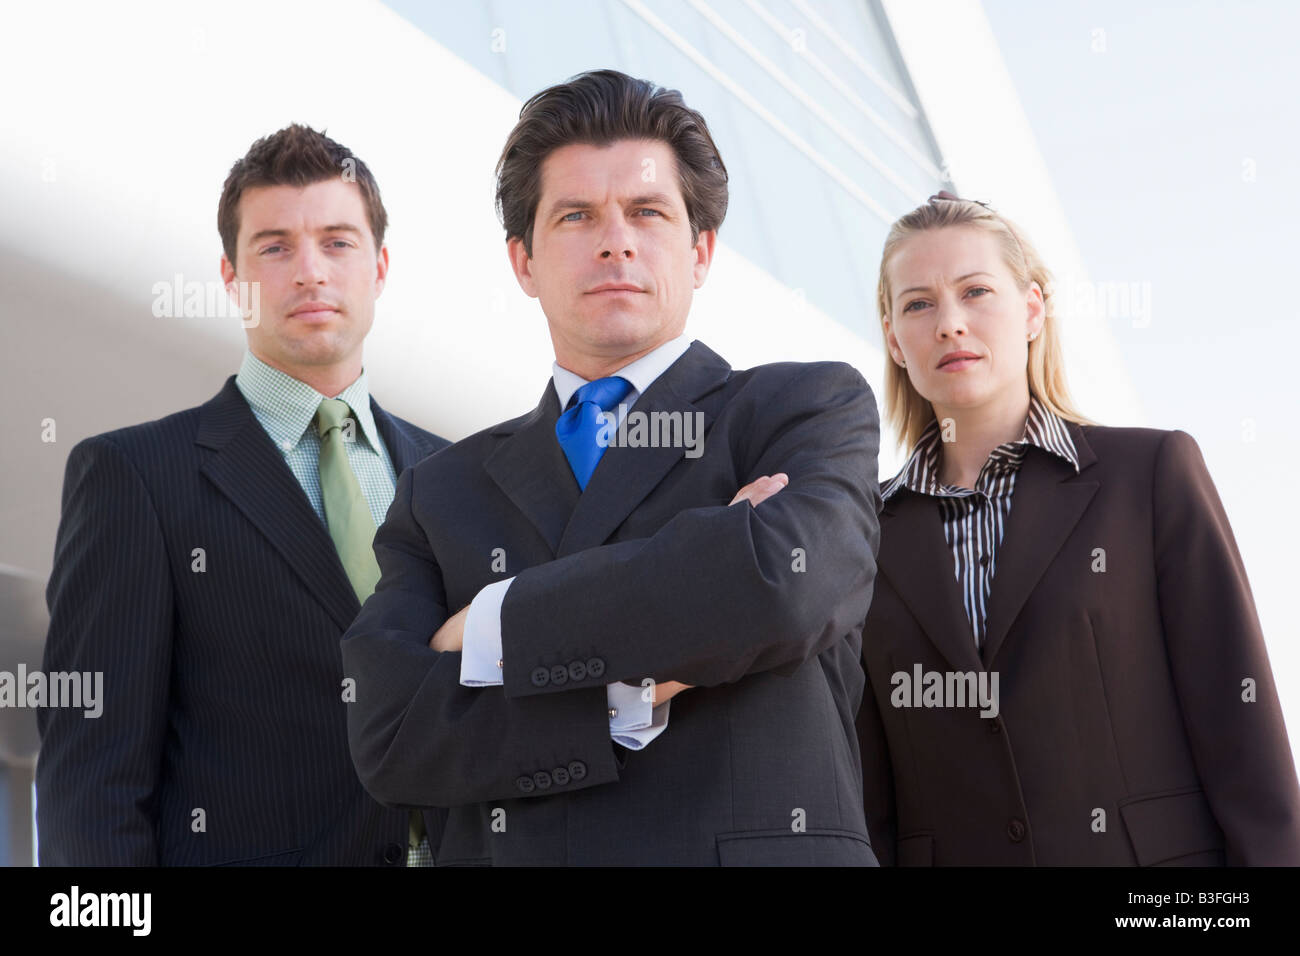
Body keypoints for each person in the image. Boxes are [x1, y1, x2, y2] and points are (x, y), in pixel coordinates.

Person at [341, 69, 882, 866]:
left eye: (647, 212)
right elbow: (390, 736)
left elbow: (783, 585)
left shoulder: (802, 409)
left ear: (699, 251)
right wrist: (630, 681)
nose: (616, 239)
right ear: (523, 262)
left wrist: (492, 624)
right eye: (576, 215)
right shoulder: (440, 491)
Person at [36, 124, 448, 865]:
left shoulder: (456, 478)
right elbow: (88, 785)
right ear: (231, 278)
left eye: (337, 241)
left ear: (380, 267)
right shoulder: (134, 479)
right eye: (274, 246)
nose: (310, 271)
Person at [855, 191, 1300, 865]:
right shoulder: (863, 535)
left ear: (1032, 309)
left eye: (976, 292)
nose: (949, 323)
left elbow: (1240, 723)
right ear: (894, 338)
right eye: (918, 303)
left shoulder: (1149, 475)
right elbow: (870, 793)